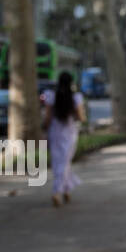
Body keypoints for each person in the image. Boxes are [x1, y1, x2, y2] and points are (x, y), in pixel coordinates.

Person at [45, 71, 85, 208]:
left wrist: (44, 130)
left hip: (55, 132)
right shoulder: (75, 98)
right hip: (69, 132)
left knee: (59, 162)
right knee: (65, 161)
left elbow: (48, 118)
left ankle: (66, 189)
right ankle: (57, 191)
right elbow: (81, 117)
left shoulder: (51, 96)